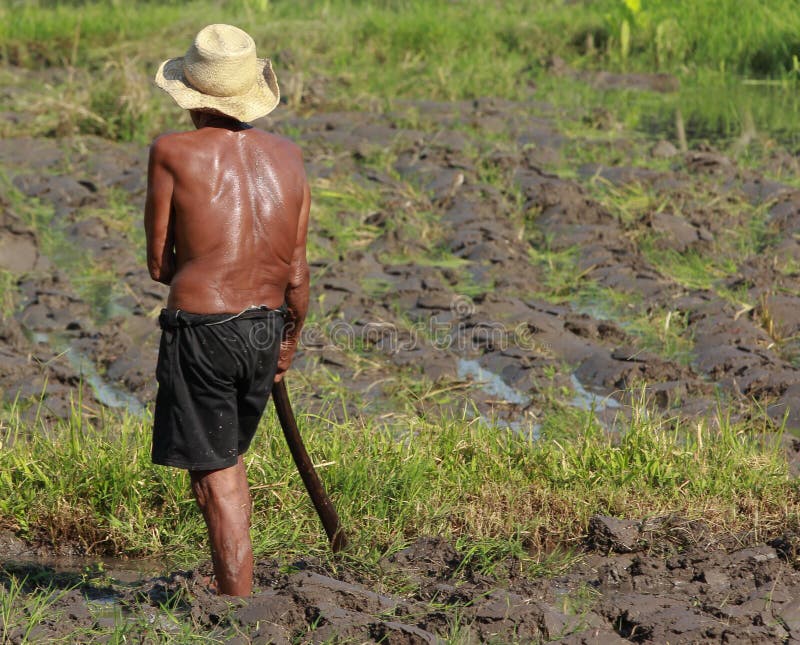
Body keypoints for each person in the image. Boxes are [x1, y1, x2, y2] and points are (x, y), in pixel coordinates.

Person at [145, 24, 310, 596]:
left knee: (218, 474)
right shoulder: (289, 157)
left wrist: (203, 267)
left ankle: (239, 606)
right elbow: (297, 274)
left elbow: (159, 263)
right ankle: (227, 581)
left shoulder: (171, 151)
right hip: (266, 329)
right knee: (220, 459)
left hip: (203, 328)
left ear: (192, 98)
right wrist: (286, 345)